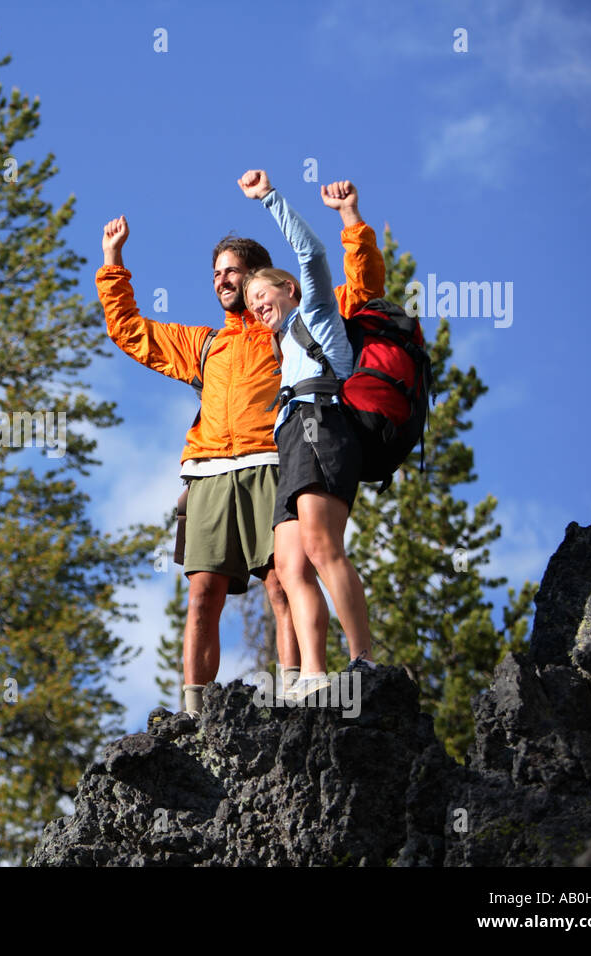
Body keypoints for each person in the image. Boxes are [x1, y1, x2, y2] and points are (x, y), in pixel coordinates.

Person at [97, 181, 383, 715]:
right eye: (216, 275)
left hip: (274, 463)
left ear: (257, 275)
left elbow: (359, 289)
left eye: (231, 271)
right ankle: (196, 713)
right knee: (202, 592)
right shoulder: (206, 343)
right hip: (207, 473)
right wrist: (114, 261)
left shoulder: (286, 324)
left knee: (283, 581)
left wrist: (352, 223)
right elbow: (131, 331)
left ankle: (298, 686)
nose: (222, 281)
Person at [237, 168, 376, 701]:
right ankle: (314, 676)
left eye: (262, 292)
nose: (256, 304)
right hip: (293, 437)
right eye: (250, 302)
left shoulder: (315, 312)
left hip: (323, 424)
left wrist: (270, 198)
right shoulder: (278, 347)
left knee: (321, 546)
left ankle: (363, 661)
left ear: (288, 289)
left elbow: (314, 254)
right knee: (291, 564)